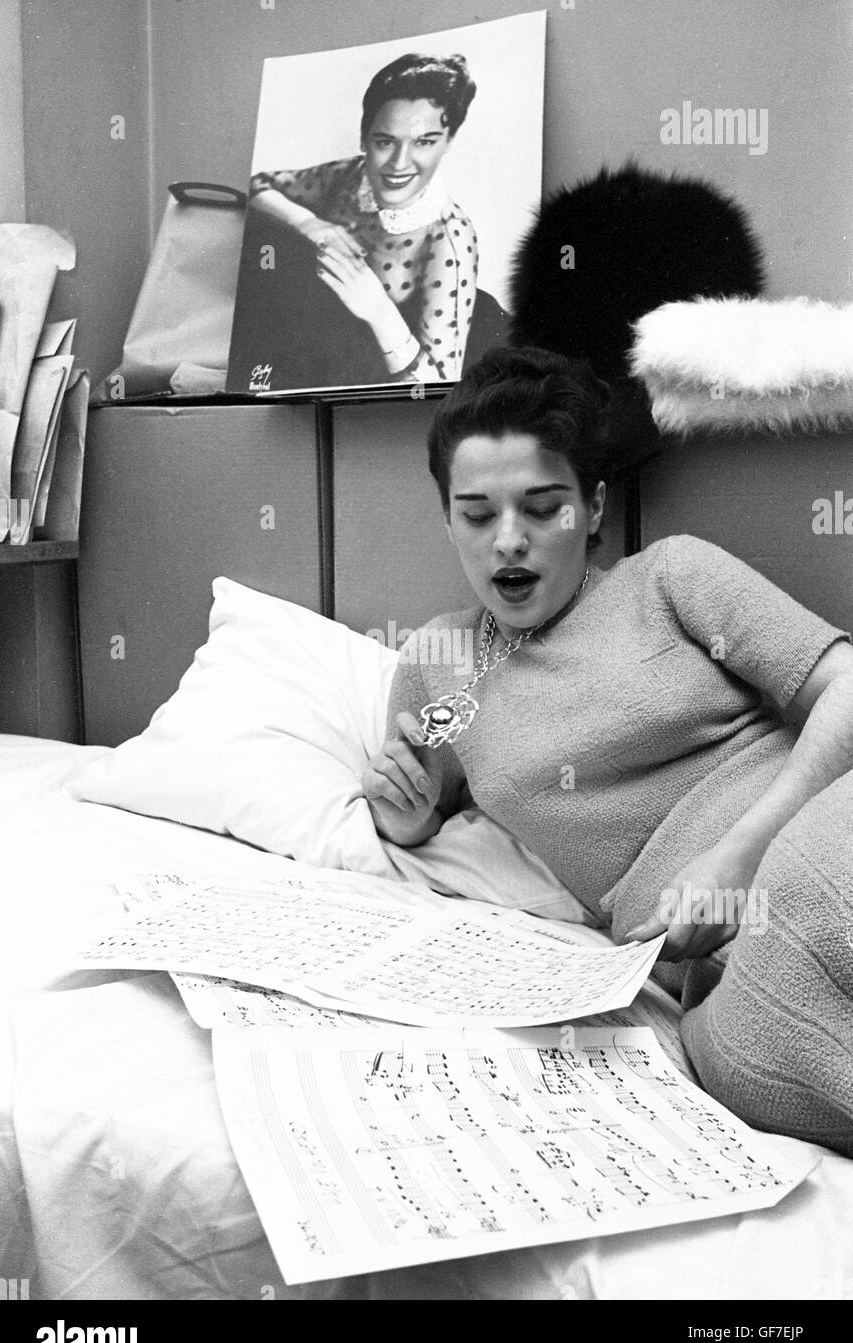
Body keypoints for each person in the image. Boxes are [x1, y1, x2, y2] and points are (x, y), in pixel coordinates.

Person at [361, 345, 853, 1157]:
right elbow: (429, 805)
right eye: (477, 515)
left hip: (808, 827)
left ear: (590, 508)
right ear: (447, 519)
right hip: (698, 958)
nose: (508, 542)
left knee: (811, 895)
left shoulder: (669, 578)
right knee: (734, 1061)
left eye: (540, 507)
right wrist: (404, 819)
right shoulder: (435, 666)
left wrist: (736, 859)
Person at [249, 53, 479, 383]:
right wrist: (309, 224)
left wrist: (378, 310)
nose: (400, 164)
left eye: (424, 142)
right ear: (364, 139)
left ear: (448, 144)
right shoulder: (351, 175)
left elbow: (439, 382)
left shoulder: (450, 236)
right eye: (385, 142)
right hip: (300, 363)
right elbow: (258, 186)